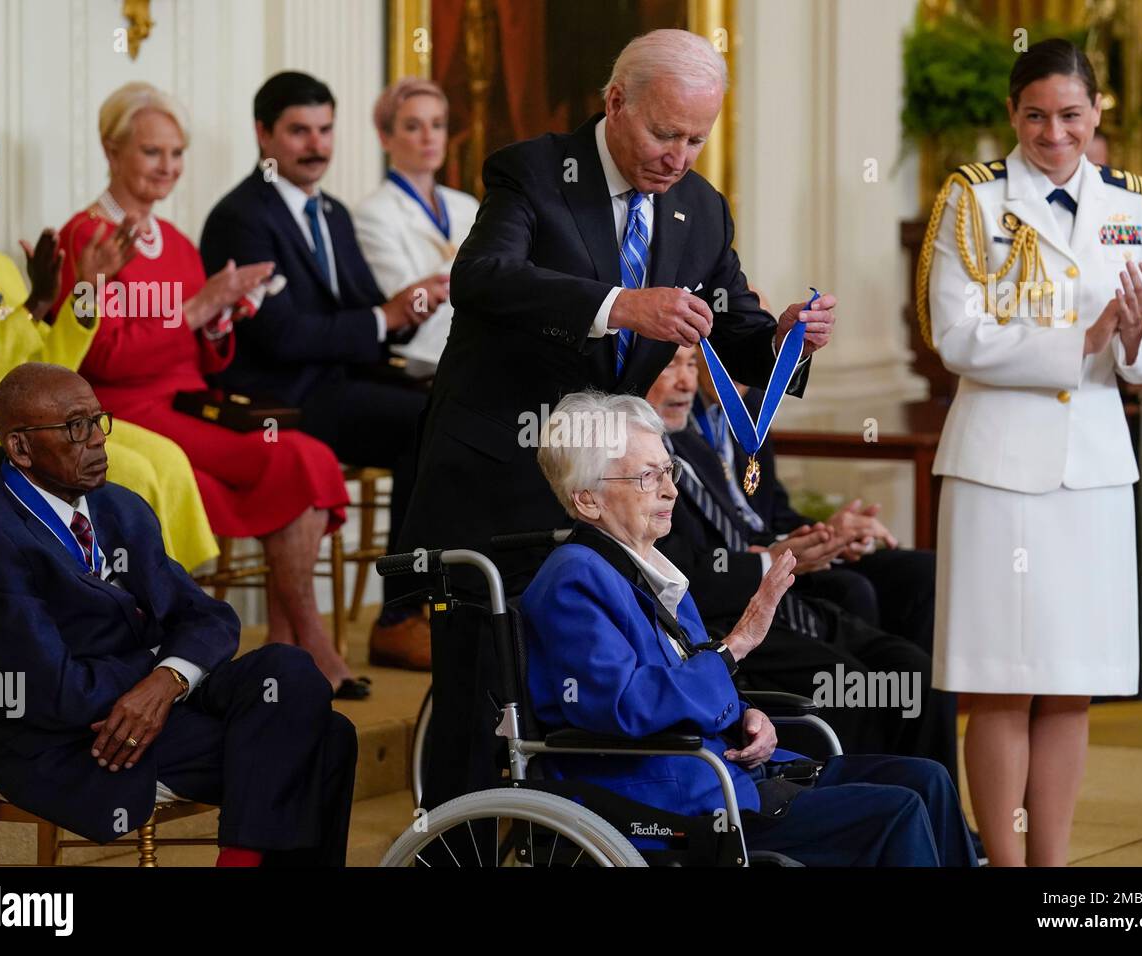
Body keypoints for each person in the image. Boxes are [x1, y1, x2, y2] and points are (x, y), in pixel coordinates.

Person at [400, 28, 836, 810]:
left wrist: (783, 336)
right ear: (615, 103)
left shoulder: (699, 209)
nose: (679, 156)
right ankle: (457, 848)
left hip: (613, 503)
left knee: (599, 696)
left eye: (697, 139)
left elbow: (729, 326)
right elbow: (484, 278)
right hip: (499, 480)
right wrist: (617, 307)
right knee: (481, 697)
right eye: (665, 133)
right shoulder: (534, 171)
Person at [522, 391, 976, 866]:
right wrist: (735, 645)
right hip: (671, 803)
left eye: (667, 471)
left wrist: (745, 715)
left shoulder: (648, 565)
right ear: (587, 499)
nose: (670, 490)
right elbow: (624, 707)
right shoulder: (574, 578)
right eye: (646, 477)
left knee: (927, 779)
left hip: (732, 774)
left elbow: (692, 675)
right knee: (897, 809)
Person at [918, 38, 1142, 866]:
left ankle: (1054, 869)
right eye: (1036, 116)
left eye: (1070, 115)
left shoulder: (1133, 204)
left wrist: (1134, 337)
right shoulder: (971, 201)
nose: (1054, 133)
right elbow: (954, 337)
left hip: (1095, 468)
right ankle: (1006, 862)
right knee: (1001, 681)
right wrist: (1082, 336)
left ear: (1098, 112)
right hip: (999, 470)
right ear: (1012, 115)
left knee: (1072, 685)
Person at [0, 363, 358, 866]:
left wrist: (166, 680)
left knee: (289, 670)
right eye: (76, 427)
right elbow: (49, 690)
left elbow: (210, 618)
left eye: (99, 421)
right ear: (21, 448)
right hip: (79, 743)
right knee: (325, 739)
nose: (98, 440)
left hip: (160, 706)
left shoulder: (120, 507)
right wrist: (155, 670)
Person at [54, 83, 362, 696]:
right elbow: (94, 353)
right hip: (124, 409)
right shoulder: (82, 237)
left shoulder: (178, 242)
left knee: (304, 454)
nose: (167, 167)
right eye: (151, 152)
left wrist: (223, 316)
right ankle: (311, 640)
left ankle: (285, 637)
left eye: (176, 153)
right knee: (290, 459)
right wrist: (196, 311)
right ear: (112, 150)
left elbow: (205, 354)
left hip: (189, 404)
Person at [201, 72, 447, 671]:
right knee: (427, 425)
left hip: (340, 384)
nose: (316, 145)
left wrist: (411, 308)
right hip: (281, 399)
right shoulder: (241, 217)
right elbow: (280, 336)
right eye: (298, 131)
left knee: (460, 408)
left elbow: (368, 315)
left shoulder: (331, 212)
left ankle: (442, 607)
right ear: (262, 133)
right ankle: (398, 617)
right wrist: (383, 316)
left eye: (325, 130)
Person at [645, 346, 958, 782]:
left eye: (690, 366)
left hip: (776, 598)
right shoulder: (639, 463)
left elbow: (757, 524)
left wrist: (816, 540)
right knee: (858, 686)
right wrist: (775, 558)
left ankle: (936, 822)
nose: (686, 381)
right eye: (671, 365)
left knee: (915, 670)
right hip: (724, 623)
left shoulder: (701, 439)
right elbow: (677, 574)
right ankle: (874, 818)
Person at [0, 114, 219, 572]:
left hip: (36, 422)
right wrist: (32, 308)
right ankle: (136, 606)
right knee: (136, 472)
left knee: (169, 459)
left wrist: (86, 287)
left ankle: (173, 597)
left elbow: (51, 369)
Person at [352, 77, 480, 373]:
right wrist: (472, 268)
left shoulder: (467, 205)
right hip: (421, 359)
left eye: (437, 125)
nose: (429, 137)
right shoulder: (372, 213)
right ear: (385, 138)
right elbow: (413, 308)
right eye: (413, 126)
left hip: (477, 347)